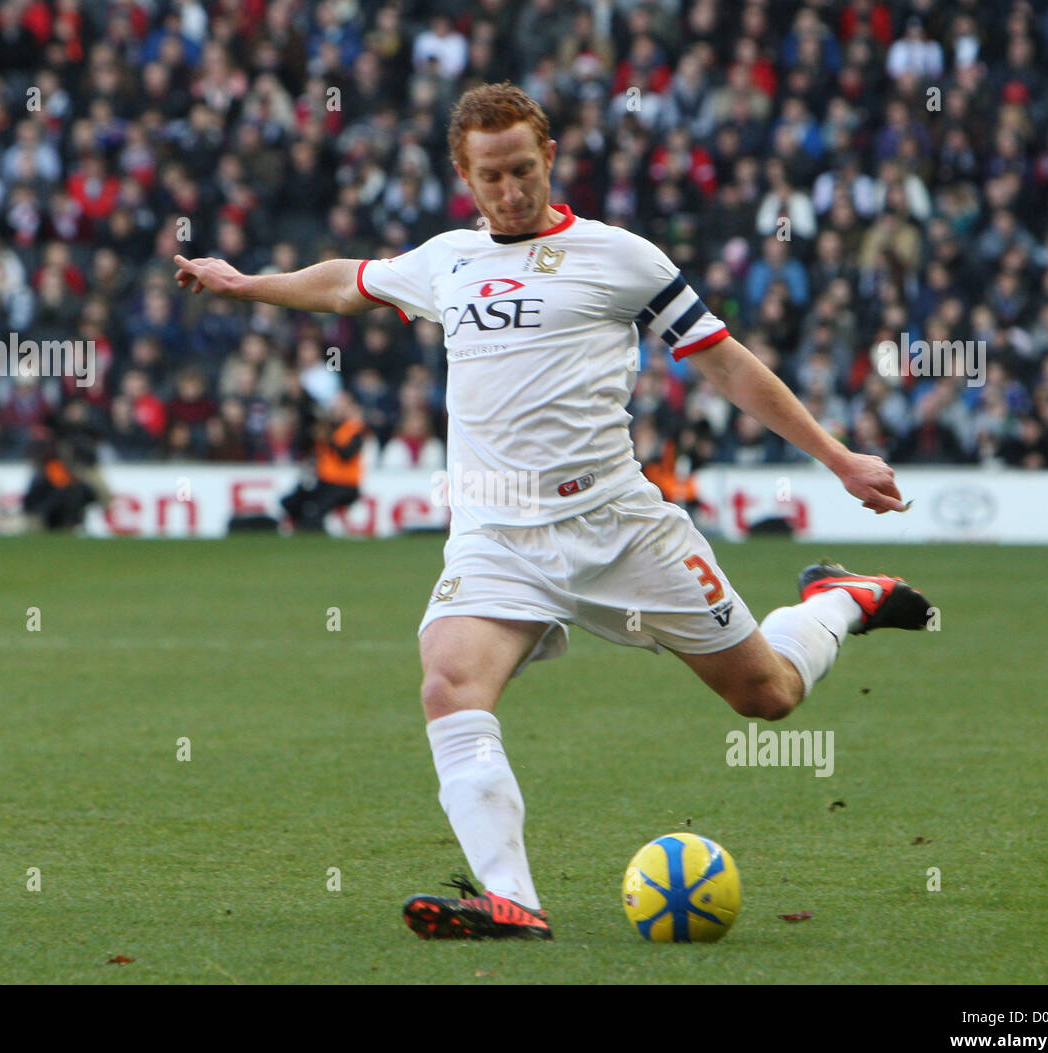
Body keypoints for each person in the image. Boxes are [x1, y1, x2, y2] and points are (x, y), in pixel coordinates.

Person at [174, 83, 930, 942]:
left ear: (551, 158)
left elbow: (726, 364)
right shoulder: (445, 260)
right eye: (491, 176)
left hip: (618, 526)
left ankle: (841, 598)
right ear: (464, 174)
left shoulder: (623, 258)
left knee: (768, 696)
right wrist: (243, 284)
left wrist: (836, 457)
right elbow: (347, 284)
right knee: (448, 682)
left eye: (524, 170)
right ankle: (512, 897)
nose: (511, 191)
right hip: (497, 534)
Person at [278, 391, 368, 531]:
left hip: (344, 484)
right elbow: (302, 448)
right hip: (324, 482)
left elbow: (347, 455)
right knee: (290, 502)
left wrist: (329, 438)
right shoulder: (324, 428)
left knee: (314, 516)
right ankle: (298, 524)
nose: (336, 409)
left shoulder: (354, 430)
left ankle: (309, 528)